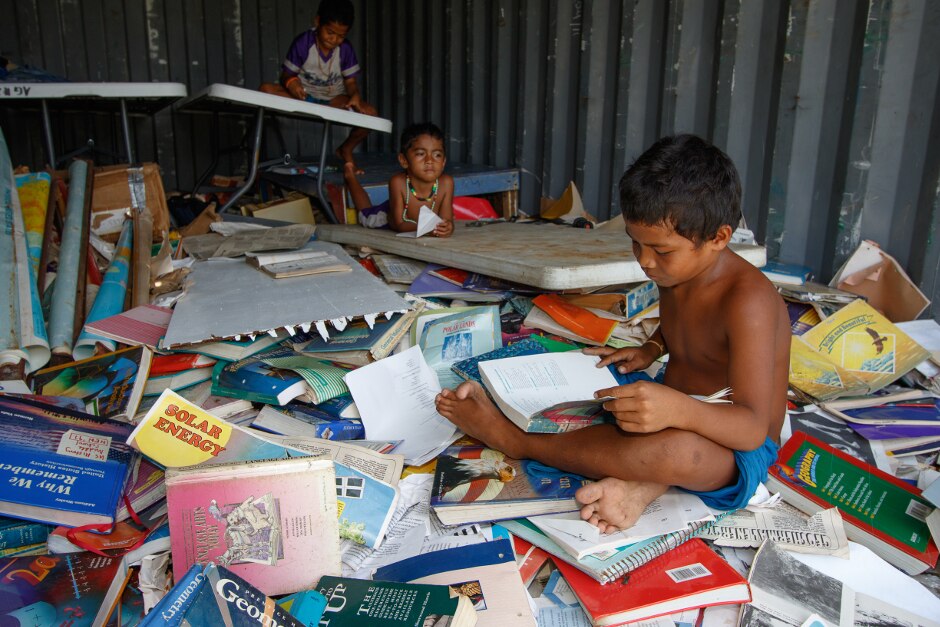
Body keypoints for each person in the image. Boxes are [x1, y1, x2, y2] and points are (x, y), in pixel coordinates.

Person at [436, 134, 790, 532]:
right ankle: (638, 485)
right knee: (589, 377)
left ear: (719, 238)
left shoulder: (749, 302)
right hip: (674, 405)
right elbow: (687, 327)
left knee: (678, 453)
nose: (646, 262)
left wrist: (680, 410)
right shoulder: (677, 270)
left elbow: (752, 428)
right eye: (636, 244)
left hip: (736, 443)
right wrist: (652, 348)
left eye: (661, 250)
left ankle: (520, 442)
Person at [260, 0, 376, 172]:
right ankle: (257, 157)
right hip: (302, 96)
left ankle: (345, 149)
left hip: (333, 99)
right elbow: (286, 75)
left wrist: (355, 95)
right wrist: (292, 83)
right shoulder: (303, 43)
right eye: (330, 32)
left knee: (371, 115)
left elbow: (350, 82)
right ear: (317, 22)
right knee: (265, 90)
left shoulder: (345, 49)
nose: (334, 39)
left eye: (341, 36)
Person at [344, 122, 454, 237]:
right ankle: (350, 177)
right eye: (421, 153)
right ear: (403, 160)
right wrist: (426, 228)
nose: (429, 160)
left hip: (407, 212)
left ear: (444, 162)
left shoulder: (446, 183)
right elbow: (399, 224)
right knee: (365, 214)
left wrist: (447, 227)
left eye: (437, 155)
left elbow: (447, 220)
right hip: (388, 216)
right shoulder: (398, 182)